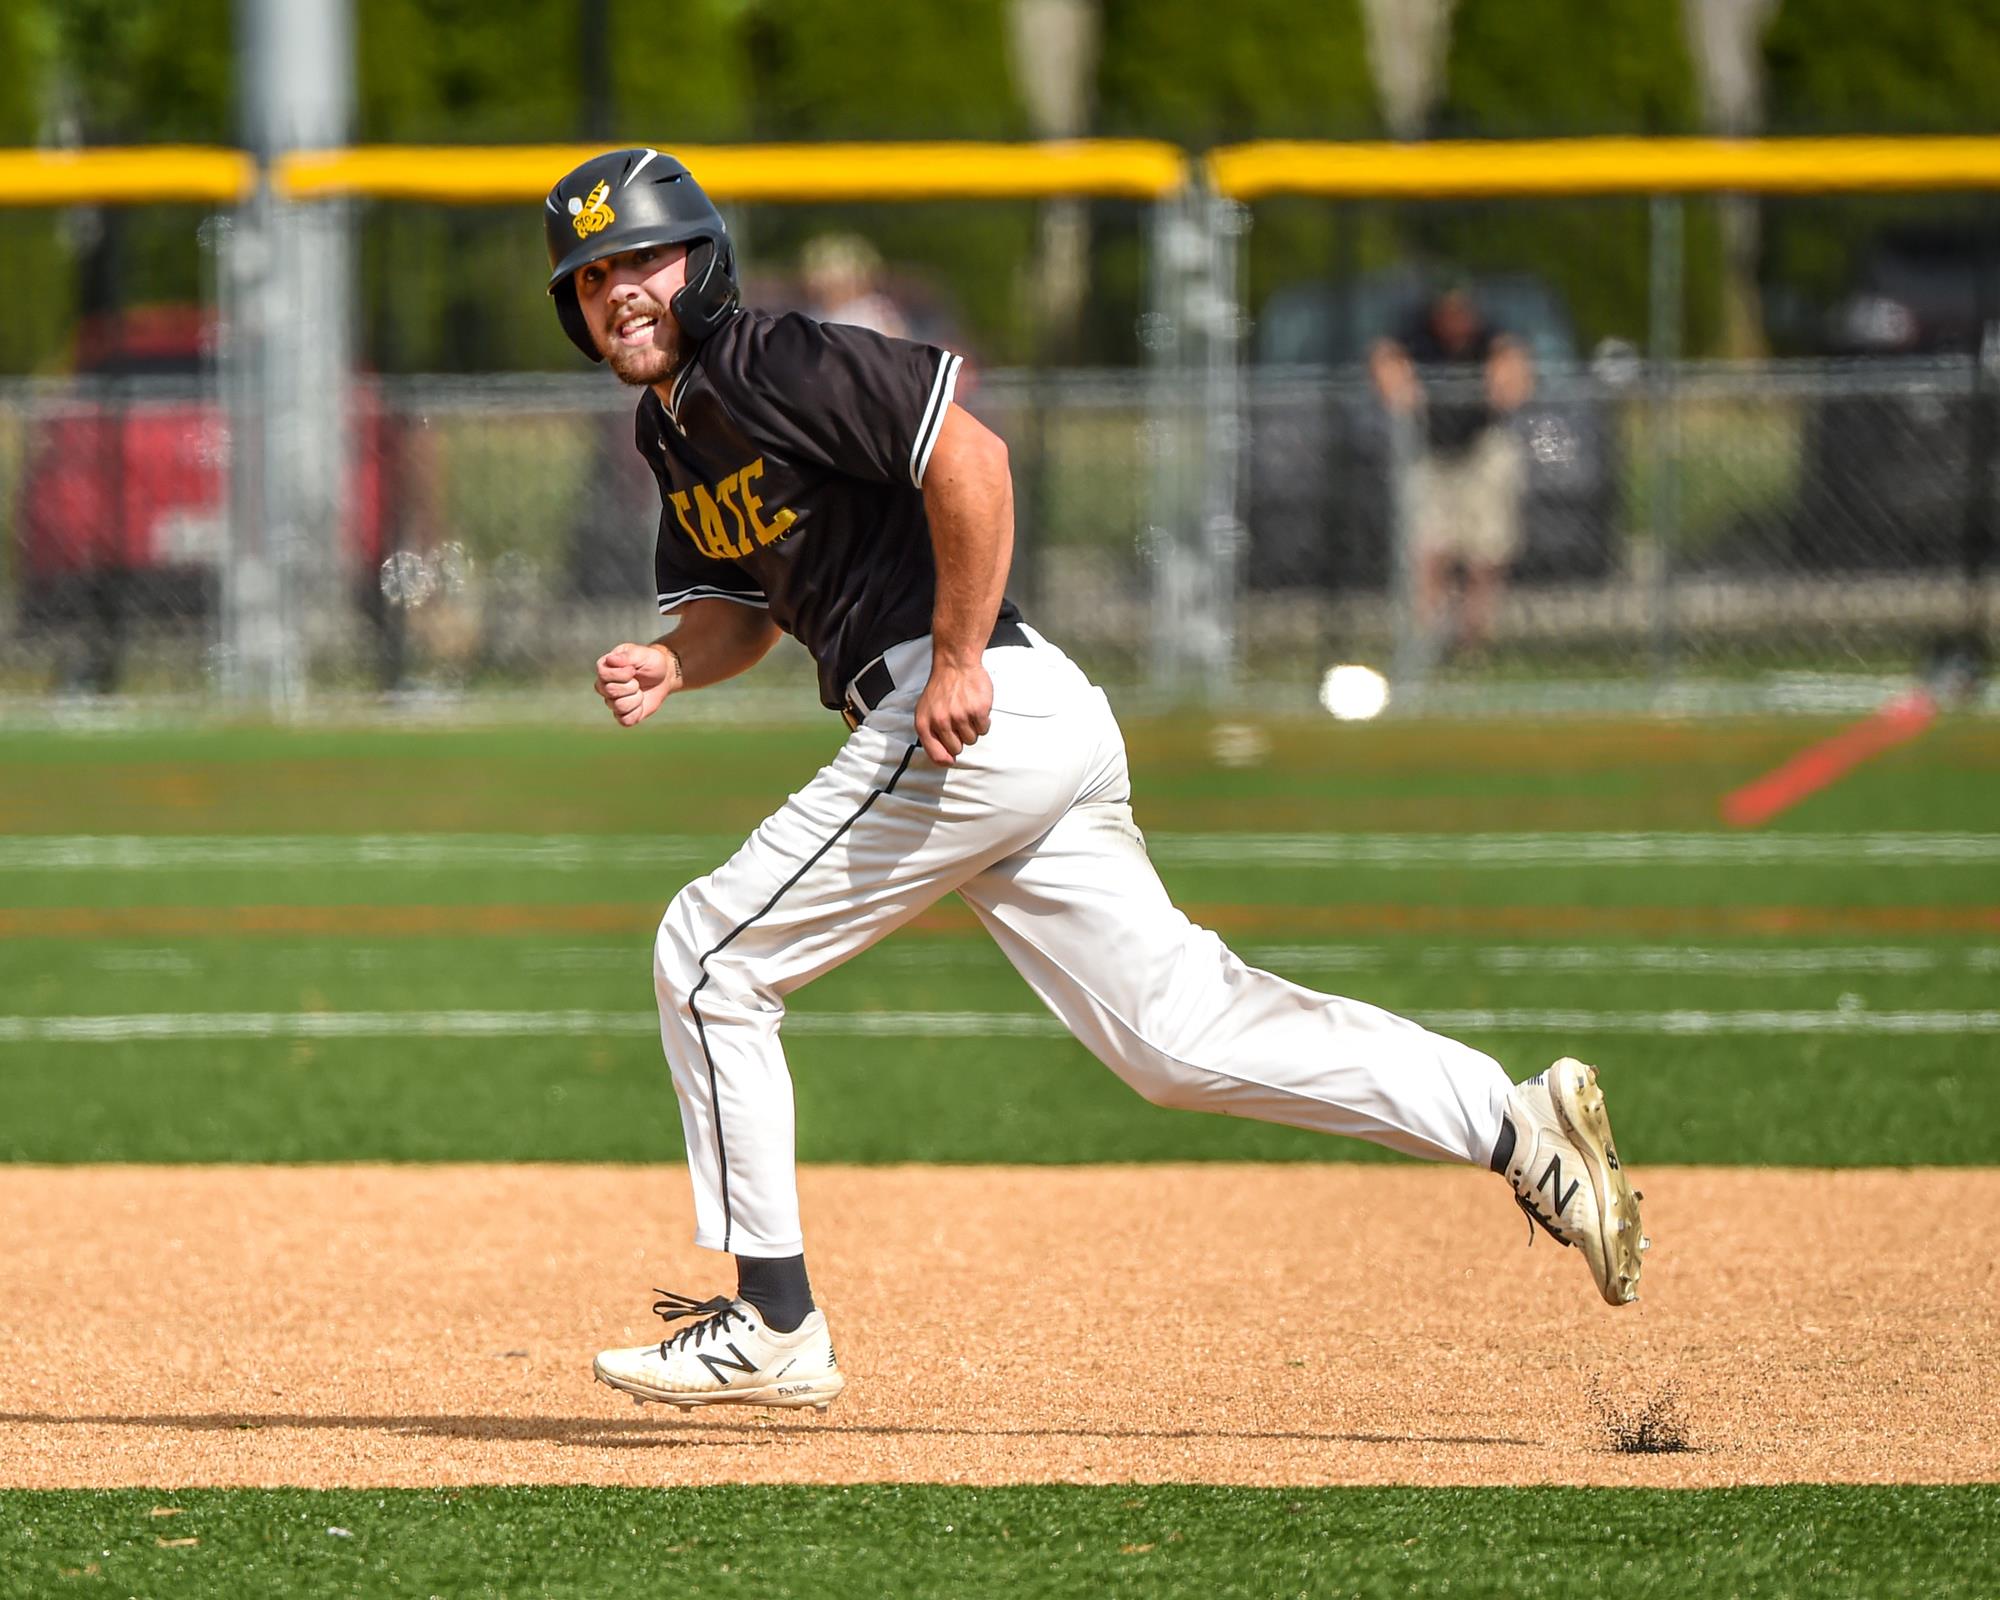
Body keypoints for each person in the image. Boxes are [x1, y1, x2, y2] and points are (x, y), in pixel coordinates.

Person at [545, 150, 1646, 1415]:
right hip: (1014, 722)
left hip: (963, 707)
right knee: (1176, 1038)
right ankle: (1514, 1126)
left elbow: (973, 461)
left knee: (708, 954)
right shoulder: (672, 425)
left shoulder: (767, 360)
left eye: (640, 258)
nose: (617, 289)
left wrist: (955, 654)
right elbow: (736, 613)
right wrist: (672, 664)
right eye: (589, 277)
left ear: (703, 260)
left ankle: (775, 1316)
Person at [1369, 285, 1534, 656]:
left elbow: (1514, 380)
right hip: (1432, 452)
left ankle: (1472, 642)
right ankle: (1425, 642)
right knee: (1430, 548)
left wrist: (1498, 380)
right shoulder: (1415, 336)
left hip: (1480, 449)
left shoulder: (1491, 338)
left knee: (1486, 551)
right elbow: (1386, 364)